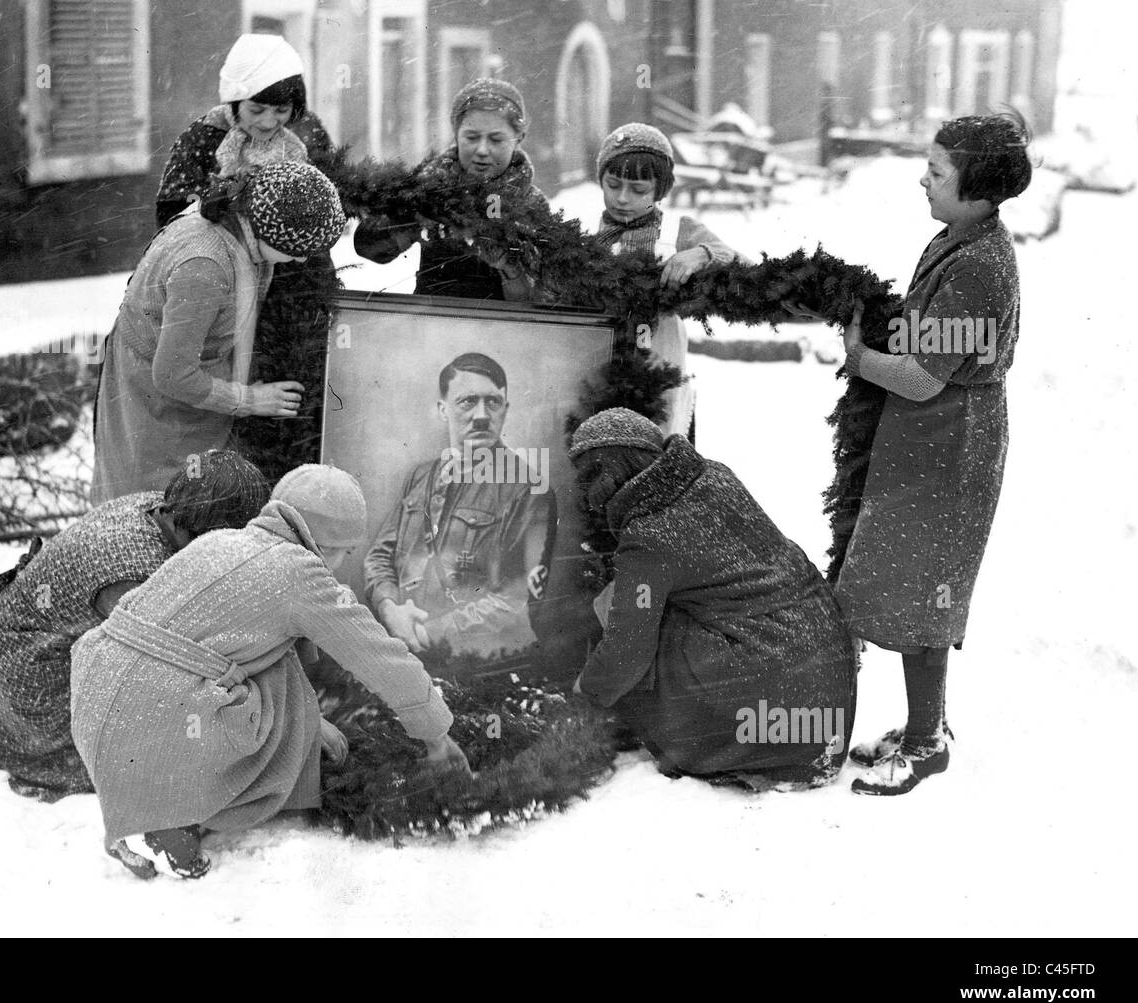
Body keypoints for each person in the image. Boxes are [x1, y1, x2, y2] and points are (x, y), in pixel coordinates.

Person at [70, 465, 470, 879]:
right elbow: (382, 659)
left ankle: (149, 807)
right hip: (164, 714)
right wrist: (436, 736)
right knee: (280, 676)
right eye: (345, 552)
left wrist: (314, 723)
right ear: (329, 544)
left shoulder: (219, 541)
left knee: (256, 659)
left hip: (96, 700)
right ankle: (170, 821)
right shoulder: (301, 572)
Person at [835, 112, 1032, 796]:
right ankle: (928, 725)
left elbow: (922, 375)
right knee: (916, 582)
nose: (924, 178)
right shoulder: (957, 239)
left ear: (978, 188)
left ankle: (926, 741)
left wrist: (861, 359)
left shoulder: (980, 266)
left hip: (951, 441)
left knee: (926, 588)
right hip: (929, 436)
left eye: (937, 170)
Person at [568, 408, 857, 788]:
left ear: (605, 475)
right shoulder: (714, 476)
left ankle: (691, 736)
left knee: (622, 609)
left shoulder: (649, 536)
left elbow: (627, 651)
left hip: (766, 702)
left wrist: (584, 692)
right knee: (643, 604)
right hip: (823, 707)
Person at [0, 451, 270, 802]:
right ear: (195, 529)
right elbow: (177, 671)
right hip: (34, 690)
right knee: (187, 750)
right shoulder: (131, 577)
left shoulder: (162, 508)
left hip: (31, 646)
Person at [91, 160, 346, 504]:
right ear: (267, 231)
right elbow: (172, 376)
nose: (301, 262)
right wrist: (250, 400)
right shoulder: (204, 266)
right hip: (155, 409)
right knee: (158, 509)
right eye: (297, 251)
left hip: (189, 404)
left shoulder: (239, 225)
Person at [364, 352, 555, 663]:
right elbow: (380, 555)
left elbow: (518, 599)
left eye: (492, 402)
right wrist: (389, 608)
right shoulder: (421, 477)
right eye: (468, 401)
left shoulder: (529, 489)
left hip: (478, 664)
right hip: (403, 650)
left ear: (505, 411)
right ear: (443, 409)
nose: (481, 414)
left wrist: (426, 633)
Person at [593, 123, 754, 436]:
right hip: (600, 373)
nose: (623, 198)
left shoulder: (677, 231)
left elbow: (742, 265)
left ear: (661, 190)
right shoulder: (587, 236)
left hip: (661, 374)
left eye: (639, 190)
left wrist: (702, 253)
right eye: (613, 185)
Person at [353, 78, 548, 300]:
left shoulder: (531, 205)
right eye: (471, 137)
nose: (482, 149)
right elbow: (368, 247)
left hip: (498, 331)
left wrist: (509, 267)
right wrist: (406, 226)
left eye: (496, 139)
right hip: (429, 325)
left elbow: (534, 306)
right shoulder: (428, 189)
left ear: (518, 138)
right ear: (456, 135)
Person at [155, 33, 333, 230]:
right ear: (235, 103)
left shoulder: (305, 132)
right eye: (256, 110)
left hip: (299, 257)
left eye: (282, 110)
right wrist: (218, 198)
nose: (268, 122)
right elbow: (171, 209)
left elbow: (332, 191)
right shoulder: (205, 136)